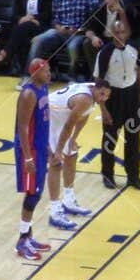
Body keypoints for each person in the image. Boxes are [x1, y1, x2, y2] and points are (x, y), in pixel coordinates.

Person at [44, 79, 111, 228]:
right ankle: (55, 212)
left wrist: (73, 139)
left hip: (60, 118)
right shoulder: (85, 99)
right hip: (48, 116)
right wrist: (58, 151)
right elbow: (69, 125)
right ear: (95, 89)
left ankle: (68, 200)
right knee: (56, 164)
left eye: (106, 96)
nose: (103, 99)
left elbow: (83, 117)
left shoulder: (92, 92)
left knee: (72, 155)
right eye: (101, 94)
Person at [12, 58, 54, 262]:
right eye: (46, 71)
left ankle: (28, 236)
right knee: (32, 195)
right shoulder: (29, 94)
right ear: (35, 72)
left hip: (40, 148)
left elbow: (42, 122)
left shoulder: (44, 88)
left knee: (36, 194)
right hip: (31, 152)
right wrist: (27, 156)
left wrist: (48, 145)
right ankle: (22, 241)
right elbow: (23, 127)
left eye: (49, 70)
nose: (49, 73)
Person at [94, 36, 140, 191]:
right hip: (113, 97)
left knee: (134, 138)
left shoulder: (133, 49)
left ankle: (133, 176)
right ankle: (108, 175)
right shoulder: (104, 53)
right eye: (116, 31)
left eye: (122, 31)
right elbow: (98, 83)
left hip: (132, 96)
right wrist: (103, 109)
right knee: (110, 138)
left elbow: (139, 71)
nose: (119, 35)